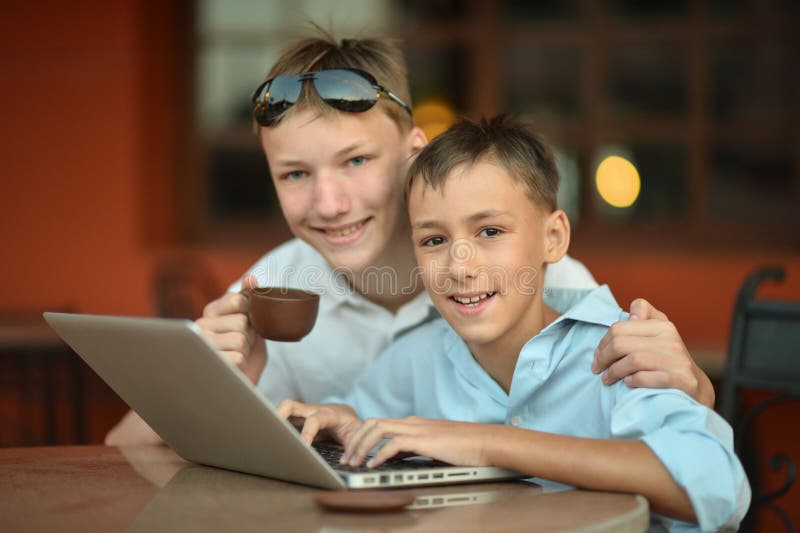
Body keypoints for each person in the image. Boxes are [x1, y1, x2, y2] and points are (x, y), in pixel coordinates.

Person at [106, 33, 715, 445]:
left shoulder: (531, 278)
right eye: (295, 174)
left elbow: (661, 421)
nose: (328, 202)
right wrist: (210, 384)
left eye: (355, 161)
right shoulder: (273, 289)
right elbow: (118, 448)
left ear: (413, 154)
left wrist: (697, 386)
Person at [277, 115, 750, 532]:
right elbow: (363, 421)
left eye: (490, 232)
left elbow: (717, 489)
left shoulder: (621, 351)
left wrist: (486, 443)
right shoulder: (415, 356)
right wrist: (345, 421)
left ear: (553, 237)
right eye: (435, 239)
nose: (459, 267)